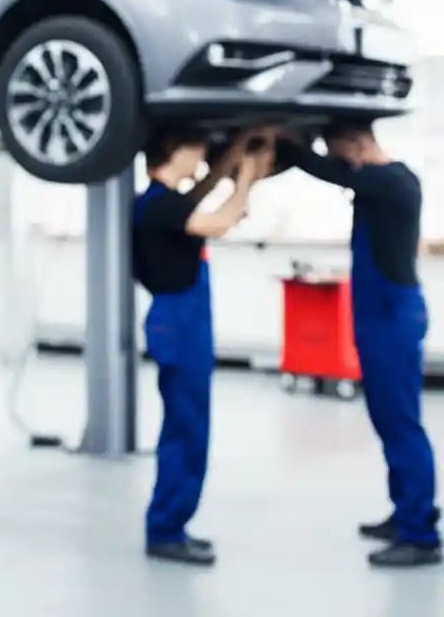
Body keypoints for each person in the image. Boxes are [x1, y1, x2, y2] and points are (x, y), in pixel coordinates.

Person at [278, 121, 441, 568]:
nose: (341, 161)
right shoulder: (378, 183)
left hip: (393, 318)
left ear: (358, 143)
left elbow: (330, 173)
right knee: (389, 420)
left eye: (341, 151)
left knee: (402, 423)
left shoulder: (392, 182)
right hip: (379, 316)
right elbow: (339, 171)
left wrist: (285, 144)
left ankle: (421, 535)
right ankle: (406, 512)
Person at [132, 126, 273, 566]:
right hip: (179, 323)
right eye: (195, 145)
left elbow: (205, 195)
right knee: (186, 428)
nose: (201, 154)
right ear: (173, 150)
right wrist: (247, 176)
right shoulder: (161, 206)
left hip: (180, 321)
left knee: (187, 426)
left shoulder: (161, 201)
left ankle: (172, 525)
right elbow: (221, 221)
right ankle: (166, 531)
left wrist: (234, 157)